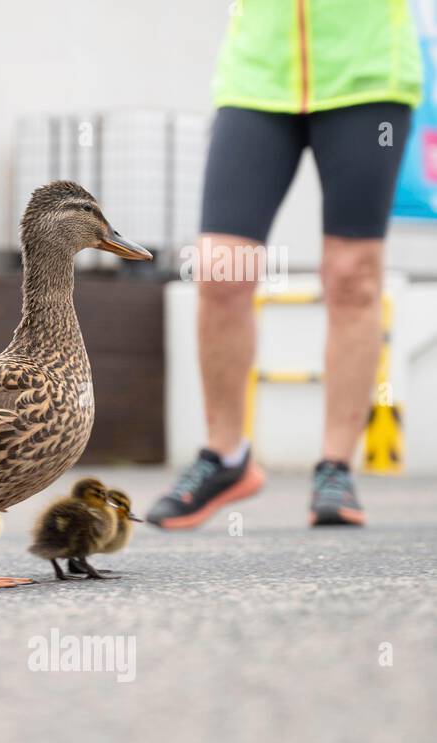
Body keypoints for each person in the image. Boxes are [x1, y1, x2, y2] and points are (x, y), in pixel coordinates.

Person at [147, 0, 422, 530]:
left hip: (368, 77)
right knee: (219, 266)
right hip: (257, 77)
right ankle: (226, 458)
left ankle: (336, 466)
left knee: (352, 273)